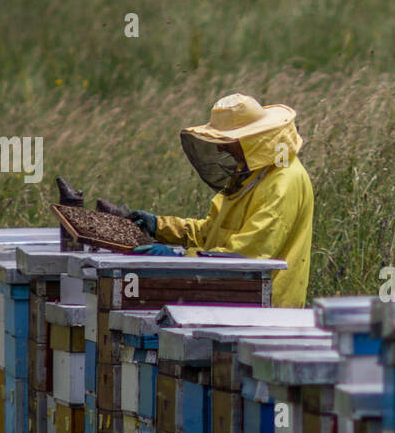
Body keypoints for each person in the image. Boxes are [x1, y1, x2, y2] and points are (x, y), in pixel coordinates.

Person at [126, 94, 314, 308]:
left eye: (227, 141)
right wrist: (161, 226)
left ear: (250, 139)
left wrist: (181, 260)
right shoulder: (253, 172)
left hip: (267, 308)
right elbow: (213, 232)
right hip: (237, 297)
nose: (220, 148)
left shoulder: (282, 182)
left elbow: (246, 254)